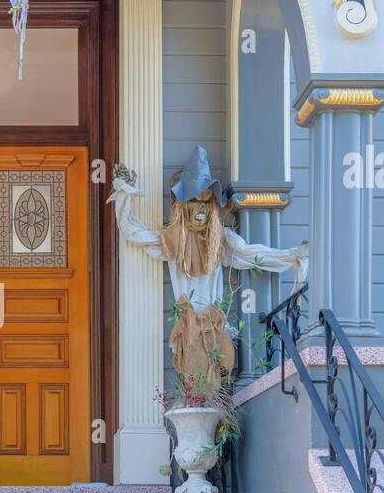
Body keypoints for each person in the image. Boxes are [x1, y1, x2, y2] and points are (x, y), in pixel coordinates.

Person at [108, 145, 308, 385]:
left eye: (206, 202)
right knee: (196, 385)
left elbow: (251, 254)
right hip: (189, 326)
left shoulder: (220, 240)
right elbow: (135, 233)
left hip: (215, 324)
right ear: (182, 205)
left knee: (220, 376)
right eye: (194, 201)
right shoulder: (173, 240)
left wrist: (290, 256)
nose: (201, 209)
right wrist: (124, 194)